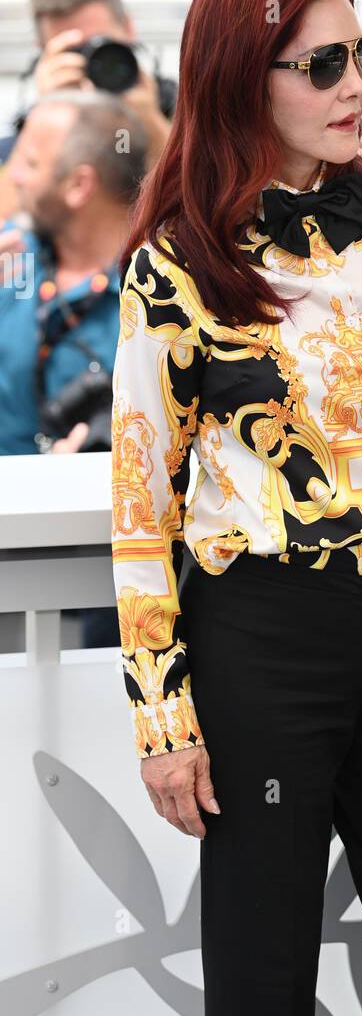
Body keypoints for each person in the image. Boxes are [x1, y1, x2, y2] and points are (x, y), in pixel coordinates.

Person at [110, 0, 362, 1016]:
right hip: (264, 635)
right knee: (264, 981)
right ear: (241, 79)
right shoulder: (179, 261)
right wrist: (163, 715)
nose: (357, 85)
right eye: (320, 66)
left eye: (360, 53)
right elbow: (142, 499)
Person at [0, 90, 148, 646]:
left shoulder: (159, 292)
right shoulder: (11, 259)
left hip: (108, 594)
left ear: (79, 185)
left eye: (30, 162)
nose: (12, 174)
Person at [0, 0, 175, 222]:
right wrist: (46, 115)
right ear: (43, 51)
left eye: (102, 49)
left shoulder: (180, 112)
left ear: (128, 28)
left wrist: (149, 121)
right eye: (74, 53)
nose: (92, 65)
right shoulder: (26, 141)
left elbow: (200, 200)